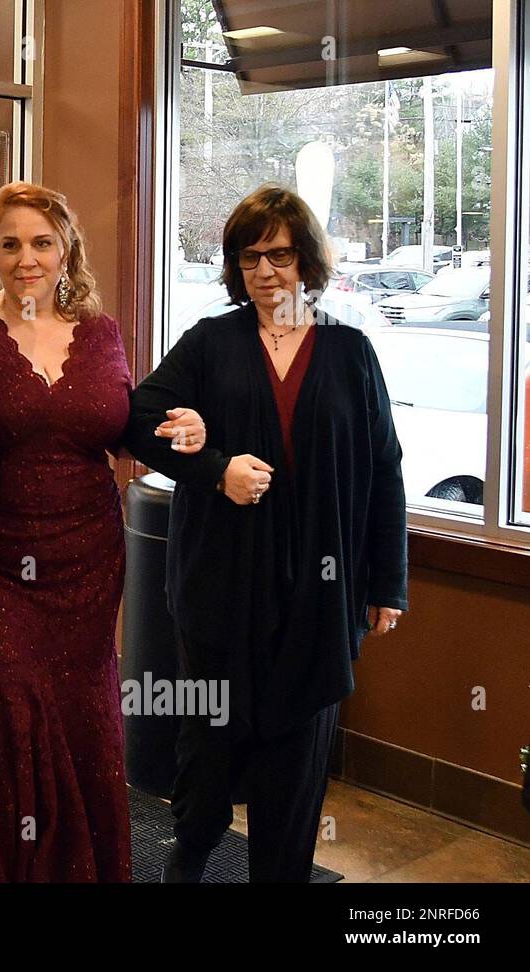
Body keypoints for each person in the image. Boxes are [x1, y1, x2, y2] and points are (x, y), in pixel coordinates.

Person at [0, 182, 206, 881]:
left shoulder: (101, 332)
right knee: (6, 708)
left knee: (83, 712)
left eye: (42, 242)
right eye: (11, 243)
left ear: (66, 249)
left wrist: (183, 431)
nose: (27, 258)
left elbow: (123, 426)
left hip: (87, 560)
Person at [124, 184, 408, 882]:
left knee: (296, 762)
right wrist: (213, 467)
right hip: (220, 590)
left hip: (321, 596)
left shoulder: (349, 351)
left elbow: (385, 468)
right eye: (249, 257)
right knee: (209, 749)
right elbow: (138, 421)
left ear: (306, 259)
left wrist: (387, 583)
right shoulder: (210, 344)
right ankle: (189, 855)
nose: (264, 271)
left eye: (278, 255)